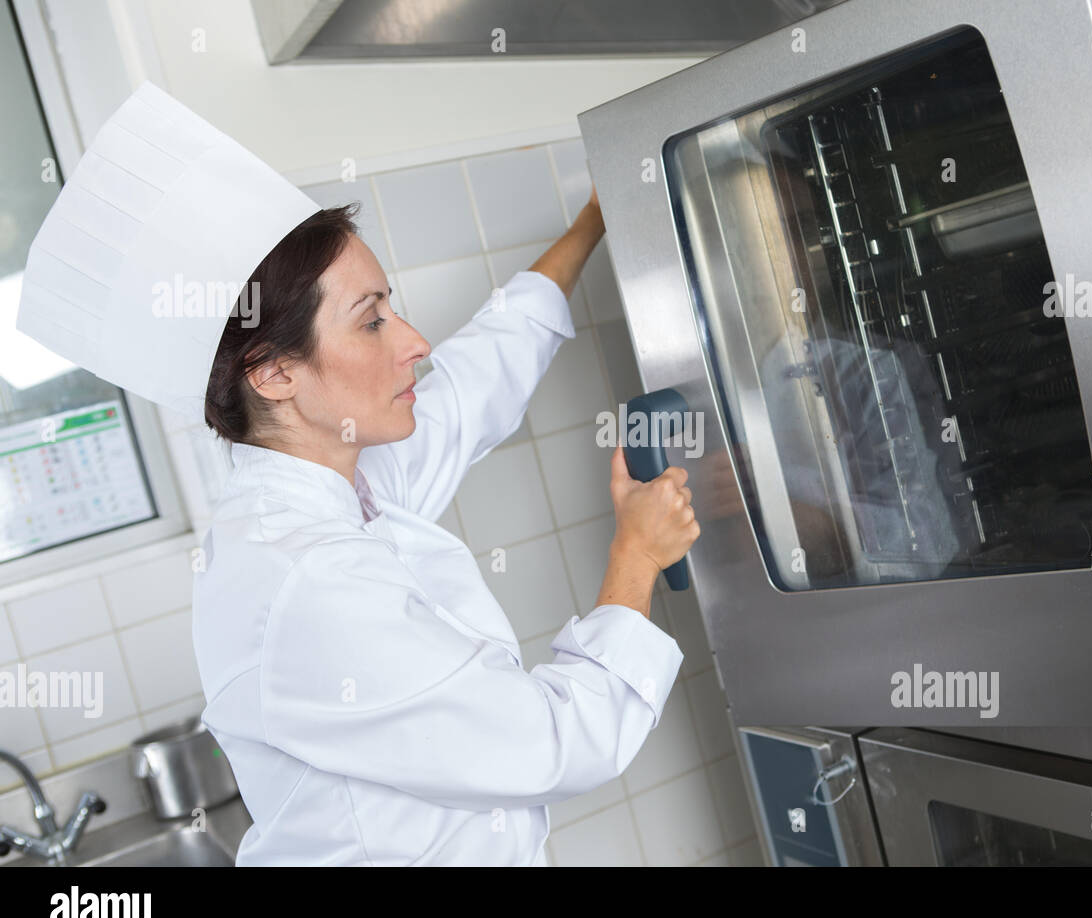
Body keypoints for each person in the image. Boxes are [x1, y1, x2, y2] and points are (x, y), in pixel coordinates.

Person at [17, 81, 699, 866]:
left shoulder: (334, 478)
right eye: (372, 320)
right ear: (275, 373)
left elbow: (477, 380)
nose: (414, 342)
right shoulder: (309, 578)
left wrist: (590, 225)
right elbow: (554, 741)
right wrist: (636, 556)